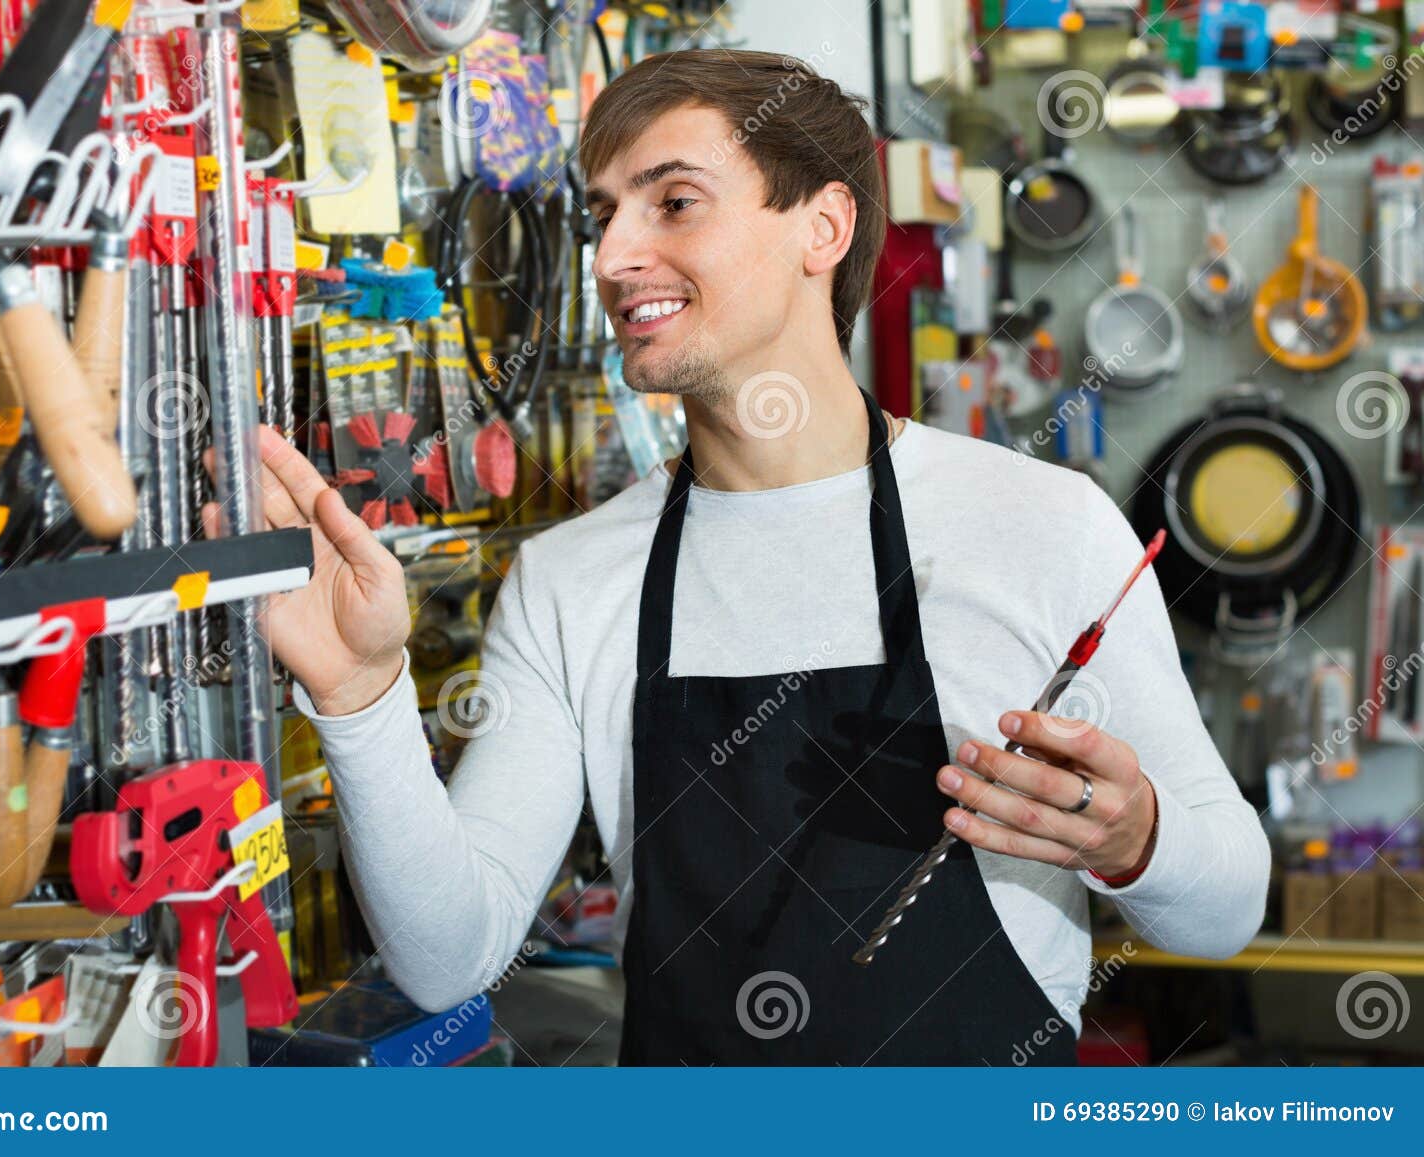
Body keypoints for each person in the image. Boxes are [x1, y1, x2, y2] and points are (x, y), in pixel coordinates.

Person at [203, 49, 1268, 1065]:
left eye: (672, 201)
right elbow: (450, 959)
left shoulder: (1042, 523)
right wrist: (359, 695)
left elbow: (1227, 911)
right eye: (603, 212)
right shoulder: (574, 579)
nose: (614, 254)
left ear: (823, 226)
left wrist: (1136, 840)